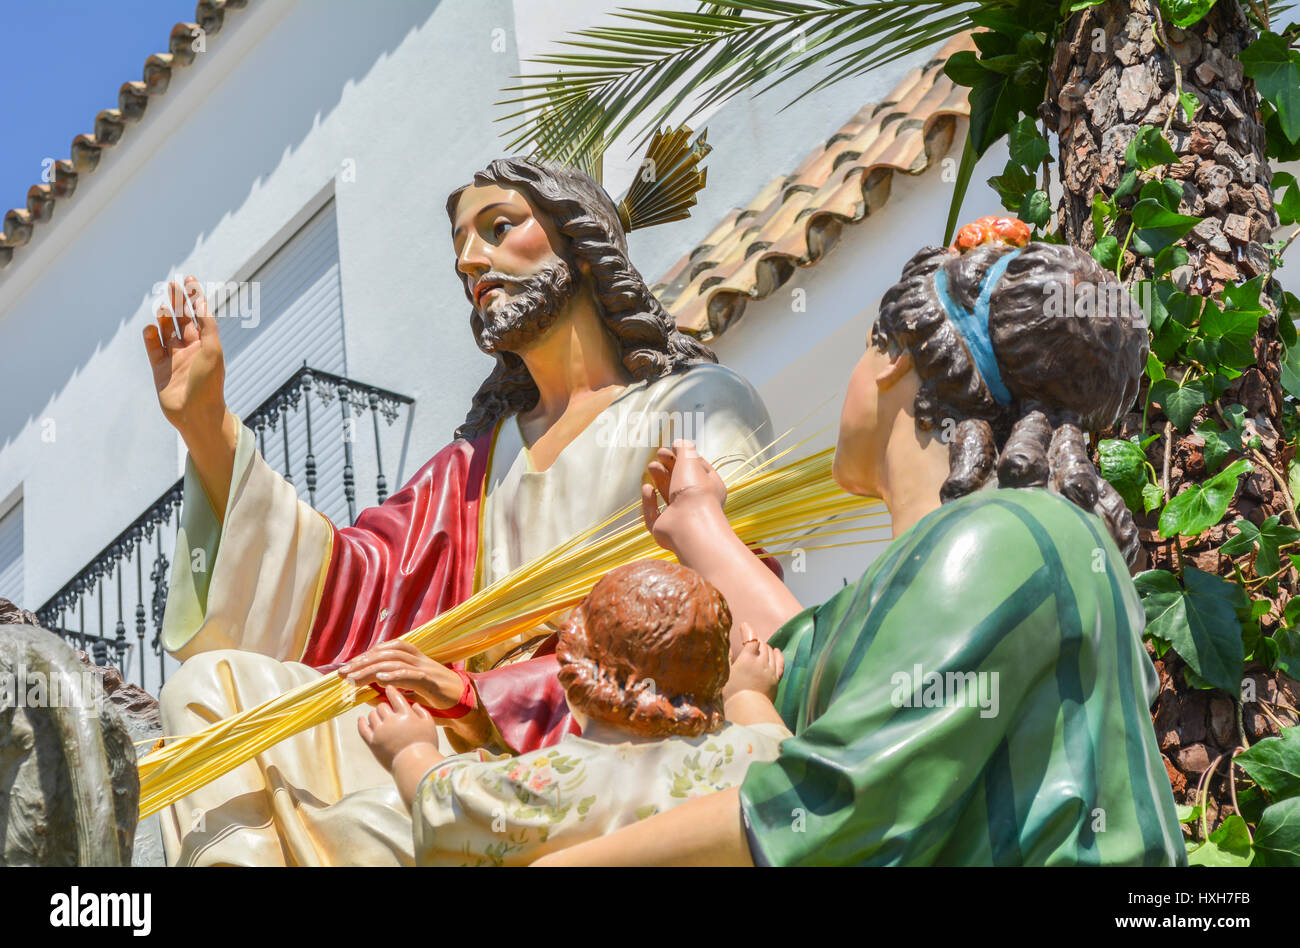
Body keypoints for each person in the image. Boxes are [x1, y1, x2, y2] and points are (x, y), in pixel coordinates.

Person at [143, 156, 773, 866]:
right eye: (461, 252)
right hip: (447, 729)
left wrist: (480, 695)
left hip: (609, 739)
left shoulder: (693, 405)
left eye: (500, 228)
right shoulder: (471, 467)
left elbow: (726, 616)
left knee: (373, 819)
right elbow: (343, 595)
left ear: (580, 242)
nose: (474, 261)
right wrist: (207, 427)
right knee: (212, 686)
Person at [535, 217, 1188, 866]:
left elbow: (837, 808)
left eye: (862, 349)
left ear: (897, 356)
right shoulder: (976, 550)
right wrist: (698, 525)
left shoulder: (1006, 534)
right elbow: (805, 664)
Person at [358, 559, 789, 865]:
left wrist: (409, 751)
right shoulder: (753, 753)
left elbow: (446, 806)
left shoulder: (555, 779)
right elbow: (776, 744)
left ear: (573, 674)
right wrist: (748, 694)